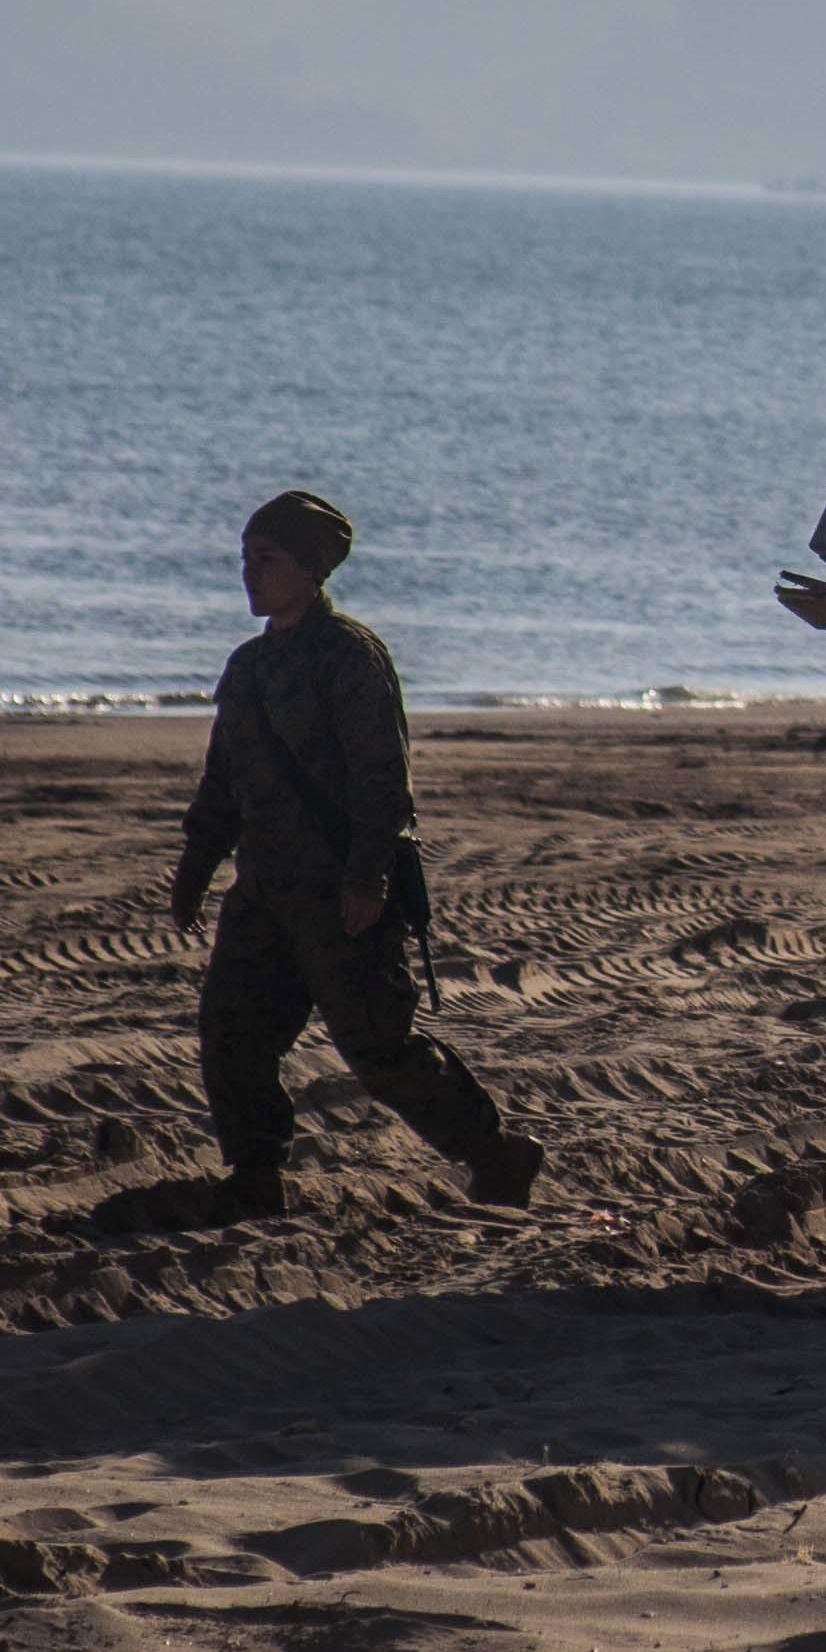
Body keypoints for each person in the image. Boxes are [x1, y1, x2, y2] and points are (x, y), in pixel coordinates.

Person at [168, 488, 543, 1216]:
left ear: (311, 569)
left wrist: (368, 876)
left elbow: (383, 782)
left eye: (267, 559)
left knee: (382, 1052)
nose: (250, 573)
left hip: (341, 897)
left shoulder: (350, 657)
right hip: (265, 893)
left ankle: (496, 1154)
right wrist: (195, 866)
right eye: (245, 558)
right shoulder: (247, 667)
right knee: (233, 1033)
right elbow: (223, 783)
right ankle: (255, 1174)